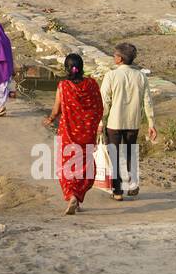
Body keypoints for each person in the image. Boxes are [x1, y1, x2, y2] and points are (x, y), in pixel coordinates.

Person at [46, 53, 105, 215]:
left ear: (67, 68)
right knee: (85, 166)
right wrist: (93, 124)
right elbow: (99, 108)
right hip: (86, 133)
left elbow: (57, 109)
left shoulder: (63, 86)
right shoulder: (92, 84)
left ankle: (72, 195)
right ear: (81, 67)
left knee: (66, 166)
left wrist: (50, 118)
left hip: (68, 133)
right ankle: (77, 198)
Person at [100, 42, 157, 201]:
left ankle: (117, 191)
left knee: (115, 156)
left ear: (119, 59)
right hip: (133, 122)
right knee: (131, 152)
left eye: (115, 55)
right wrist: (151, 123)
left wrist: (100, 122)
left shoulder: (111, 75)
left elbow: (104, 101)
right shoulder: (140, 76)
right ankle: (132, 184)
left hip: (114, 122)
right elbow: (148, 101)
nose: (113, 57)